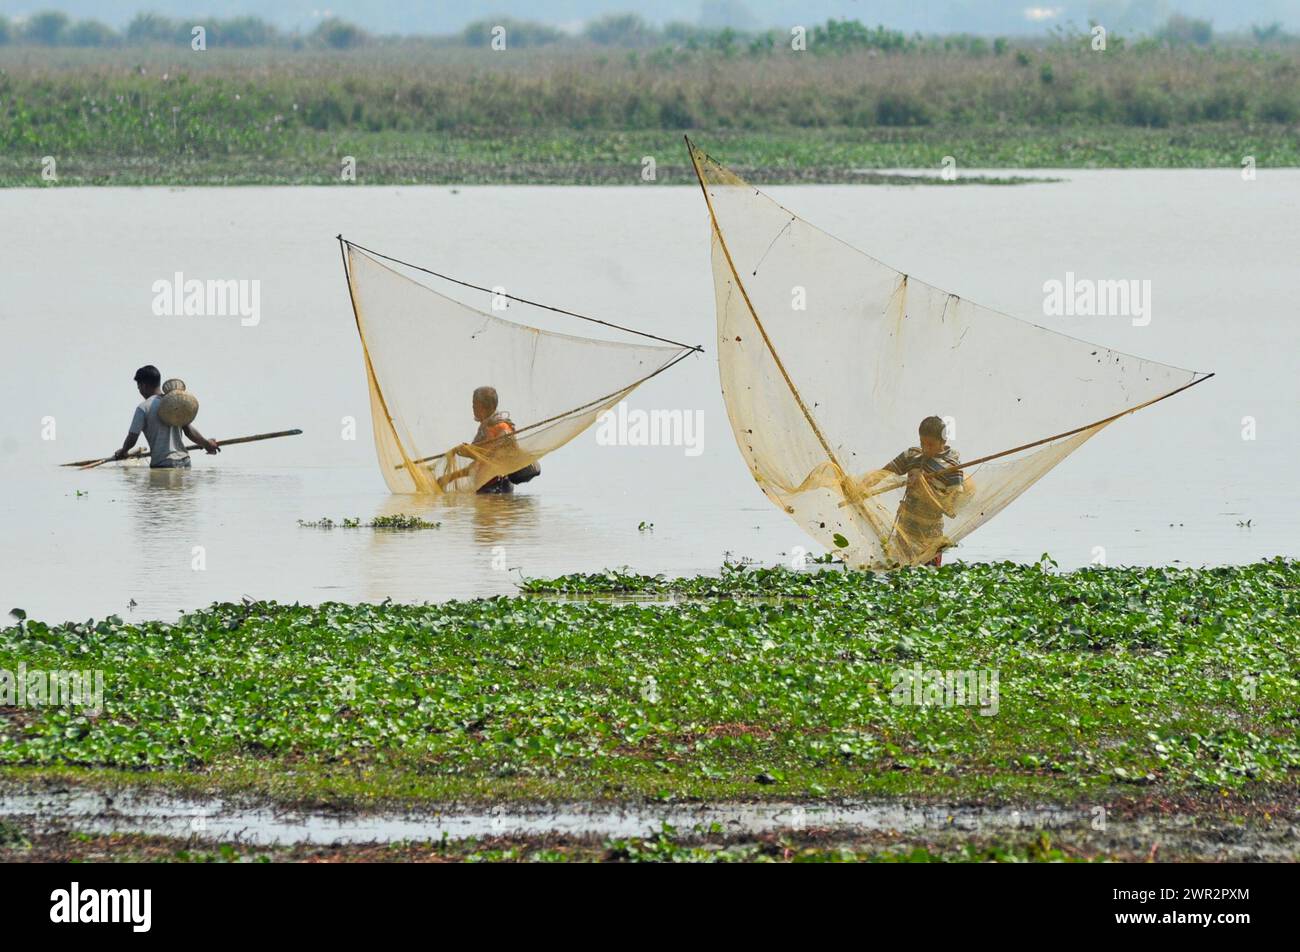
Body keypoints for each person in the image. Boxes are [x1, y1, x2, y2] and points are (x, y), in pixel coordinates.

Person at [881, 416, 964, 566]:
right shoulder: (912, 456)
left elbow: (952, 507)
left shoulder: (952, 467)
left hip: (930, 540)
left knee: (927, 582)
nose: (926, 449)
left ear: (943, 442)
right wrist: (860, 487)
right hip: (904, 533)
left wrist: (925, 486)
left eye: (931, 444)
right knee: (899, 578)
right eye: (922, 443)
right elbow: (883, 473)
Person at [113, 365, 219, 469]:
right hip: (185, 461)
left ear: (144, 386)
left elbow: (132, 438)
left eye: (139, 387)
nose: (139, 391)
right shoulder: (175, 402)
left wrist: (123, 452)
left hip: (164, 464)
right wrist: (206, 443)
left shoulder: (143, 408)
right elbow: (189, 431)